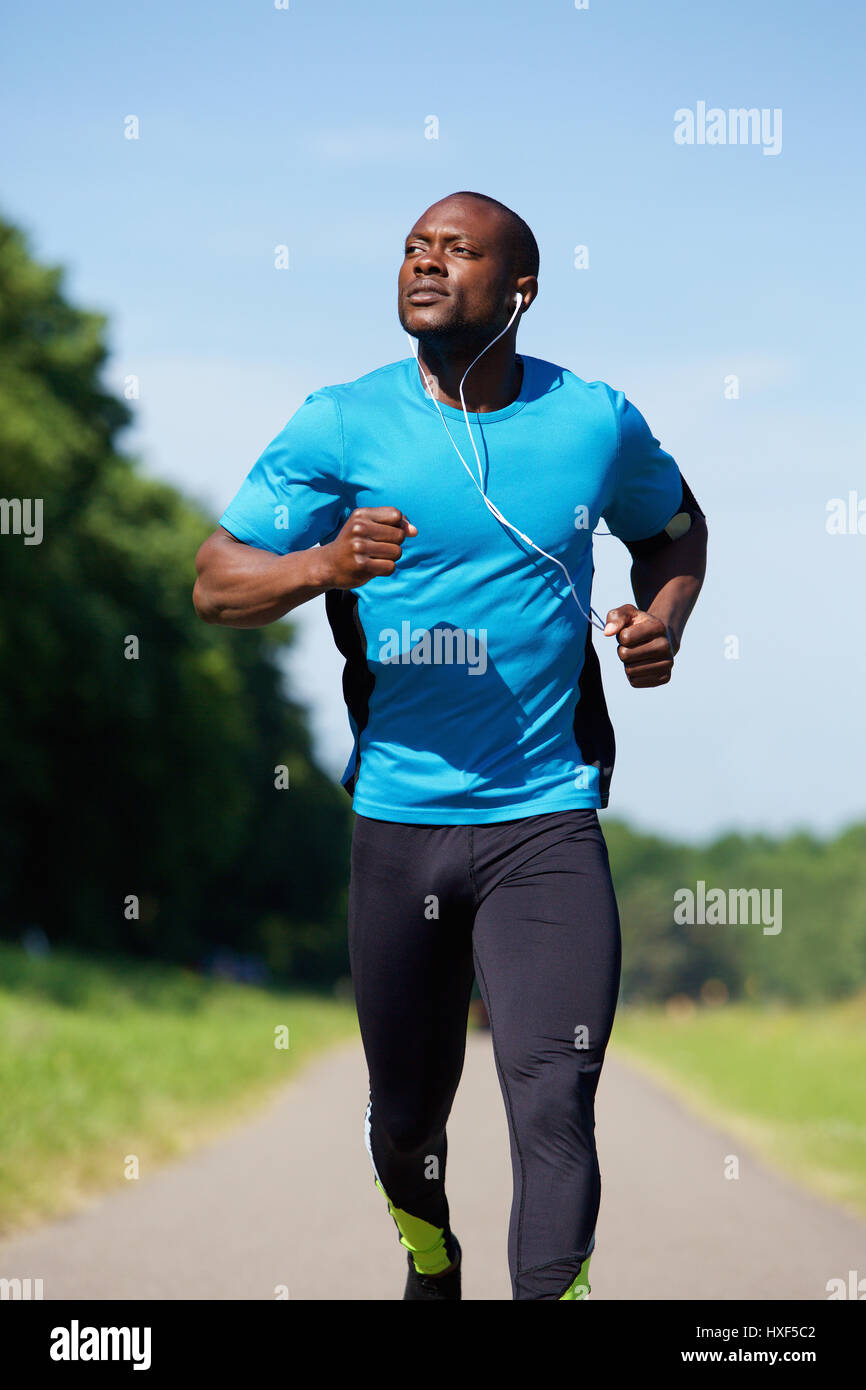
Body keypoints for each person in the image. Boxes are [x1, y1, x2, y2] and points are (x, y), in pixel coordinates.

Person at [192, 190, 708, 1301]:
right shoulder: (339, 422)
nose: (425, 263)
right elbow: (215, 581)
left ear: (518, 288)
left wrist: (660, 618)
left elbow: (671, 531)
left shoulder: (591, 419)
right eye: (412, 249)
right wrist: (319, 567)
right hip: (398, 821)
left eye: (456, 251)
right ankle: (429, 1252)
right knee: (405, 1120)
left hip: (545, 816)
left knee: (552, 1090)